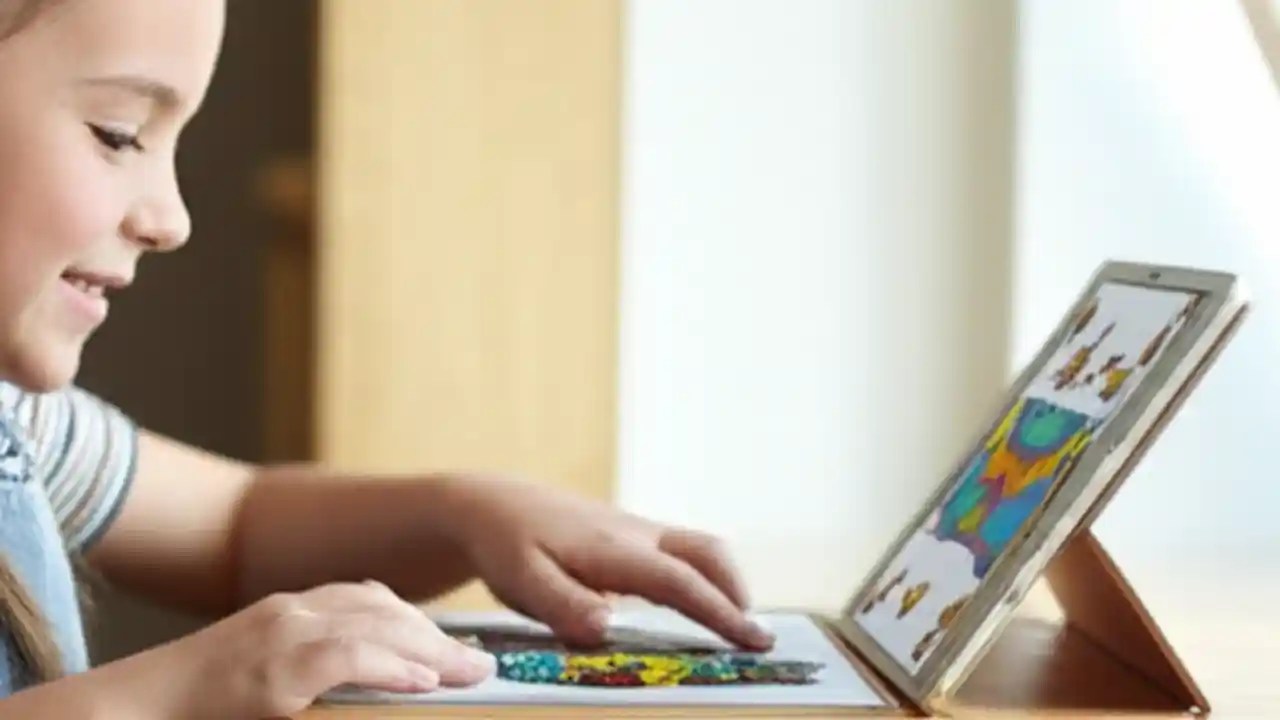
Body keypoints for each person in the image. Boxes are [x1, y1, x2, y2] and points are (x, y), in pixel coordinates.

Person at [0, 0, 773, 716]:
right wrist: (175, 690)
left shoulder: (19, 419)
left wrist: (465, 511)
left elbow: (233, 526)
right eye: (119, 131)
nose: (172, 219)